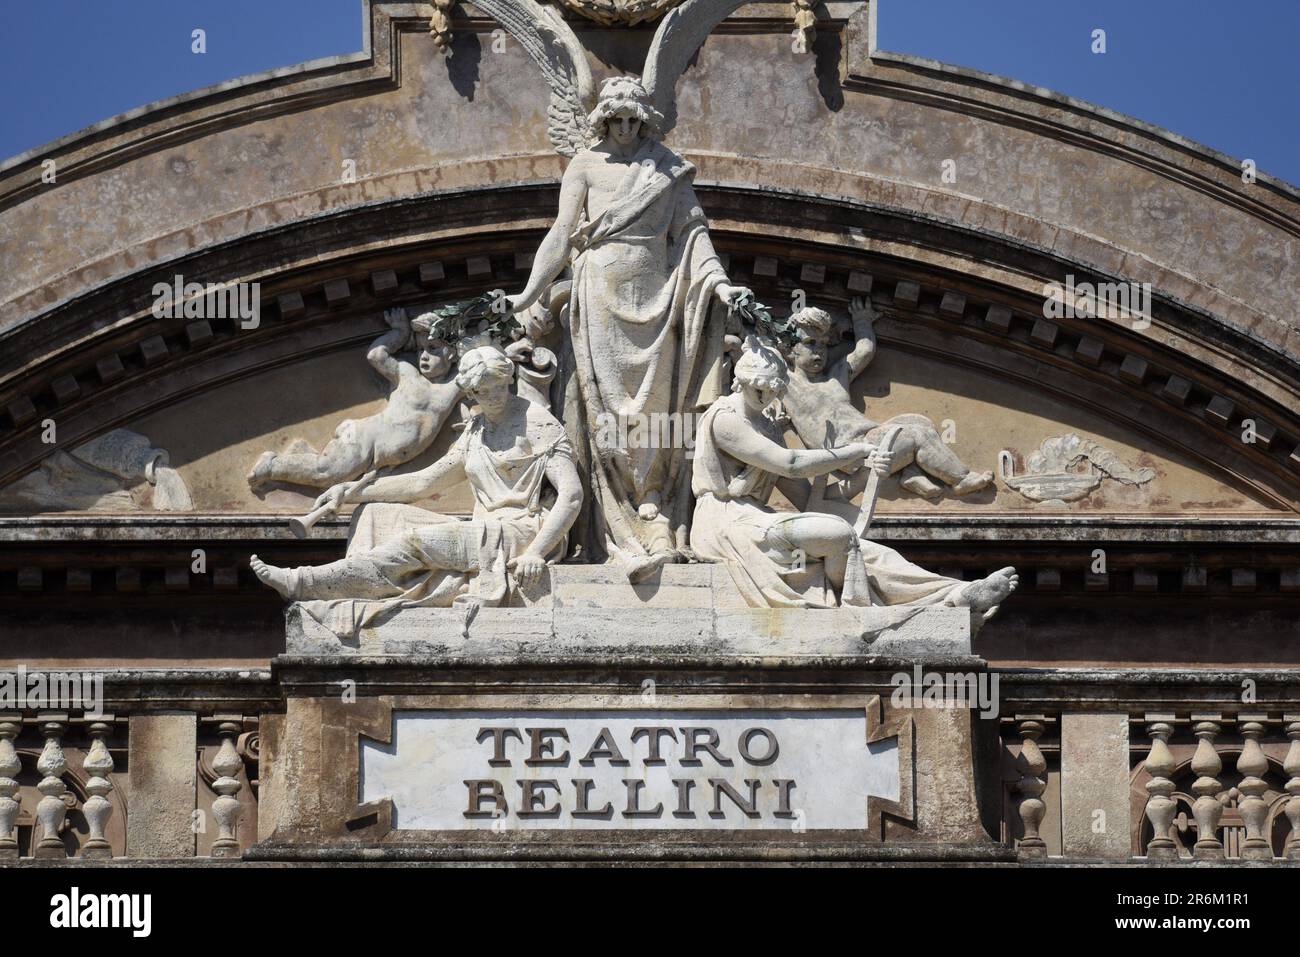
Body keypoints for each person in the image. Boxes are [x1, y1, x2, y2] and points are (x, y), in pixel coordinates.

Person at [502, 75, 752, 579]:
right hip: (599, 295)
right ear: (601, 119)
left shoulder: (667, 170)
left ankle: (653, 506)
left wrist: (723, 286)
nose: (623, 127)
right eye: (615, 118)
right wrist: (526, 294)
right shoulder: (586, 166)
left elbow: (693, 234)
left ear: (643, 118)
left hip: (659, 297)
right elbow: (560, 233)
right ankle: (618, 523)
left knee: (657, 409)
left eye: (632, 118)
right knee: (606, 410)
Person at [250, 346, 583, 635]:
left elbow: (571, 495)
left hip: (521, 532)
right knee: (377, 514)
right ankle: (356, 597)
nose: (495, 396)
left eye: (500, 386)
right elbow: (422, 483)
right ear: (471, 394)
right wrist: (351, 491)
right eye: (484, 391)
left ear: (508, 379)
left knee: (416, 542)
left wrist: (536, 552)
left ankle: (305, 583)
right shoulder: (476, 431)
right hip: (482, 529)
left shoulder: (536, 421)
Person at [690, 339, 1017, 616]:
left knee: (872, 551)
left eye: (773, 390)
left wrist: (869, 474)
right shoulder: (724, 418)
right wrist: (855, 451)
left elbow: (806, 498)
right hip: (727, 523)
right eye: (759, 388)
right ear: (741, 380)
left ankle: (956, 597)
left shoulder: (768, 428)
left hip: (760, 520)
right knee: (836, 534)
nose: (765, 397)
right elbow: (789, 463)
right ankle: (858, 613)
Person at [780, 298, 993, 501]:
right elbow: (754, 350)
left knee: (919, 421)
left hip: (869, 438)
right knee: (918, 435)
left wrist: (861, 320)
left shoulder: (835, 377)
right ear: (790, 350)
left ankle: (910, 474)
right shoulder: (785, 382)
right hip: (852, 452)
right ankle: (959, 479)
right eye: (810, 343)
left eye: (824, 343)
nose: (819, 350)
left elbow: (864, 351)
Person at [247, 307, 463, 491]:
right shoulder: (408, 373)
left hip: (381, 459)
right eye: (420, 348)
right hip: (366, 439)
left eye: (432, 349)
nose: (423, 356)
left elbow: (487, 373)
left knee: (328, 471)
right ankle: (272, 465)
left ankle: (301, 456)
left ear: (452, 353)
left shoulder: (455, 385)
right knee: (327, 474)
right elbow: (376, 356)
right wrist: (400, 332)